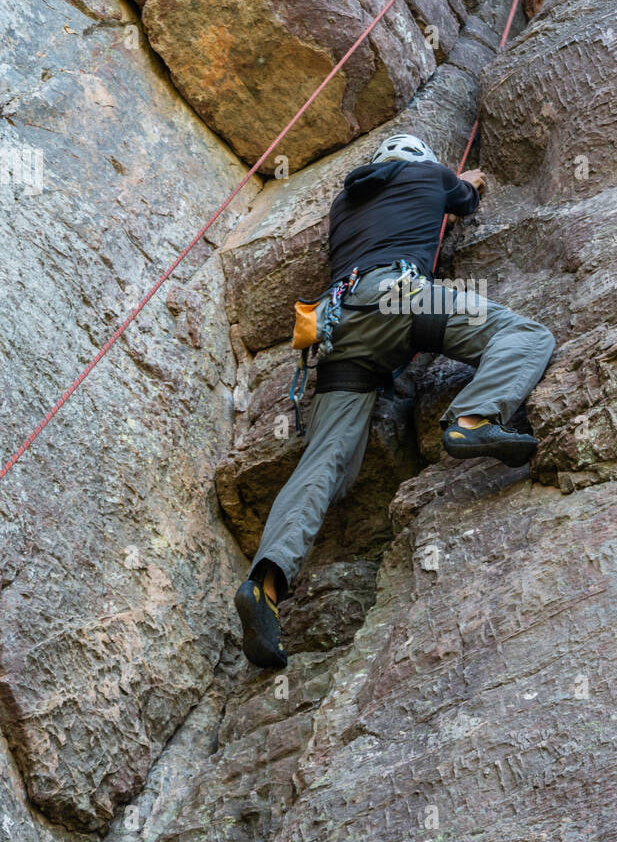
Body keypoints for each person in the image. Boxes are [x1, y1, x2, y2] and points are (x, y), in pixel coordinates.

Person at [233, 133, 555, 668]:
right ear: (421, 162)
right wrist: (470, 180)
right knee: (524, 335)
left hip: (337, 326)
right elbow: (466, 200)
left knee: (325, 461)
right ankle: (474, 419)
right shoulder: (431, 176)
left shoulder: (344, 202)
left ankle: (264, 583)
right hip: (400, 296)